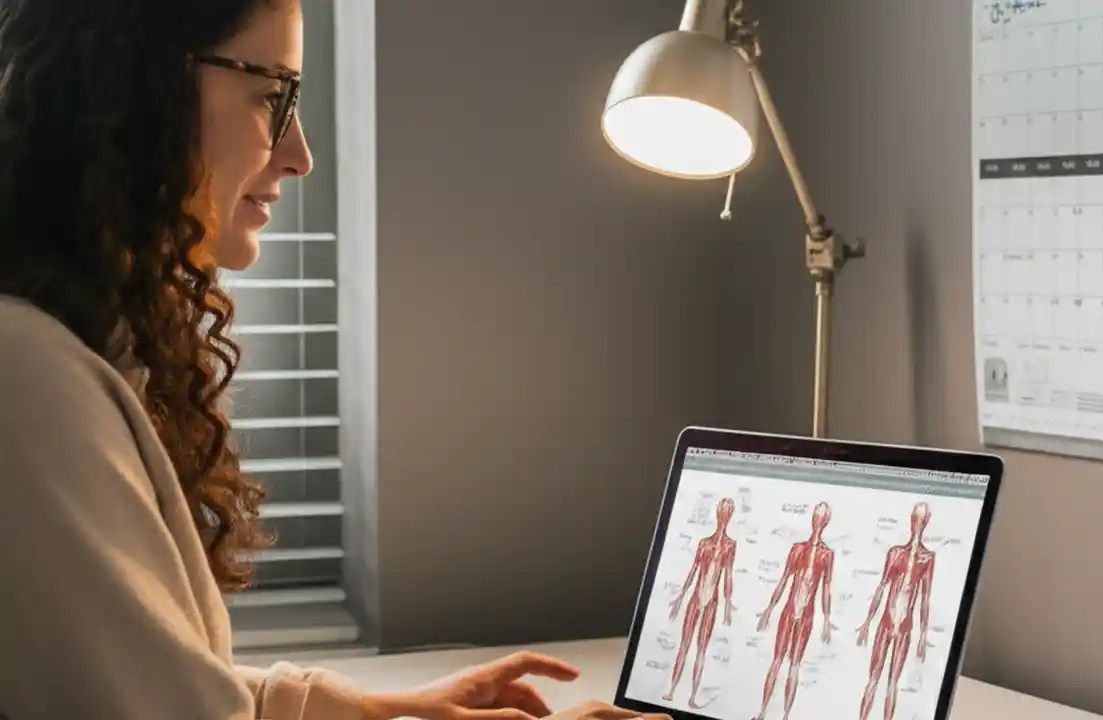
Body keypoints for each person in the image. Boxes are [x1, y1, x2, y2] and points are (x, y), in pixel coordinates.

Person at [0, 2, 668, 719]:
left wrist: (375, 709)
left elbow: (153, 679)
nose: (299, 155)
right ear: (131, 85)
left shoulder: (66, 344)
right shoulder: (26, 377)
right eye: (270, 97)